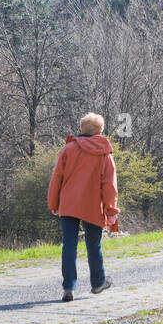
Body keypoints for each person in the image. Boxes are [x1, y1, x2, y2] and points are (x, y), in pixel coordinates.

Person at [47, 113, 120, 302]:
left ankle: (68, 287)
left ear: (81, 129)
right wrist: (111, 210)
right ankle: (98, 283)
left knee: (69, 244)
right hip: (92, 205)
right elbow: (109, 185)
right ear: (100, 130)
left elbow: (57, 179)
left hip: (69, 204)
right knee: (93, 244)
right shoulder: (104, 153)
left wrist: (53, 203)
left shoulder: (68, 149)